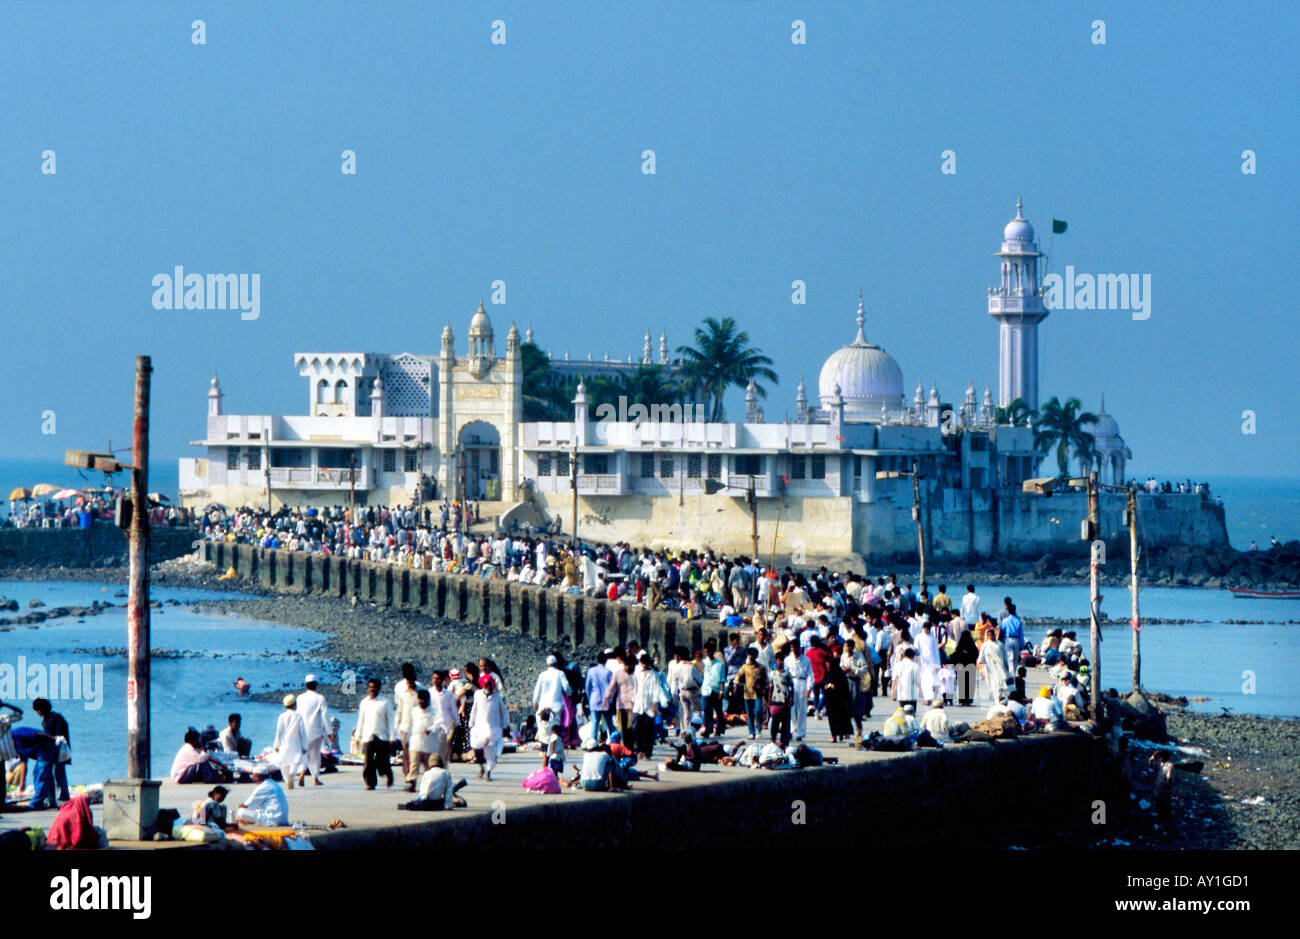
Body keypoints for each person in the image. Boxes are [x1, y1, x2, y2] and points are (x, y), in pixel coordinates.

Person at [355, 678, 396, 790]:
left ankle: (389, 775)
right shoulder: (364, 703)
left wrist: (392, 737)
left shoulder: (385, 702)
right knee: (368, 761)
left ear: (379, 689)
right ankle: (370, 783)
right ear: (367, 688)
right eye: (370, 687)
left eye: (374, 687)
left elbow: (391, 721)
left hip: (382, 736)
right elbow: (361, 721)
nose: (372, 689)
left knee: (383, 761)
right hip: (368, 736)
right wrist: (357, 737)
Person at [469, 674, 510, 780]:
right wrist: (471, 723)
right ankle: (481, 768)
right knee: (477, 749)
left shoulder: (497, 697)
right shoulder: (477, 695)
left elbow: (504, 712)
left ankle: (488, 773)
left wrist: (505, 725)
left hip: (493, 728)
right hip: (479, 727)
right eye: (486, 685)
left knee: (491, 753)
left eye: (489, 685)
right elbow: (474, 709)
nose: (487, 687)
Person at [9, 725, 59, 808]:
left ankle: (36, 803)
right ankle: (50, 801)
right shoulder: (17, 747)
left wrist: (52, 738)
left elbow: (37, 734)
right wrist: (21, 786)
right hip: (40, 752)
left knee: (41, 775)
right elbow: (23, 765)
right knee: (39, 774)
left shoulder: (17, 733)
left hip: (46, 746)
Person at [32, 699, 70, 804]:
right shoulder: (47, 719)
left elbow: (58, 737)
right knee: (50, 774)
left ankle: (62, 799)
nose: (37, 713)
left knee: (58, 774)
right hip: (50, 751)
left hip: (58, 751)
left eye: (37, 710)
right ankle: (52, 799)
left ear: (41, 709)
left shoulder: (56, 718)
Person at [404, 689, 443, 792]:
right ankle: (412, 784)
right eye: (419, 699)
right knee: (414, 765)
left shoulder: (434, 712)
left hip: (430, 745)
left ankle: (428, 787)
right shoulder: (414, 711)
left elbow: (438, 724)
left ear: (427, 700)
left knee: (428, 768)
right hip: (415, 744)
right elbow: (409, 725)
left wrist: (430, 730)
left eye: (423, 700)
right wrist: (406, 739)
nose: (421, 702)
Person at [297, 675, 330, 786]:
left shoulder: (300, 698)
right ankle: (315, 778)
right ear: (316, 685)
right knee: (315, 755)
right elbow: (325, 717)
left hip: (302, 730)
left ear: (306, 685)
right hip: (315, 731)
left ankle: (302, 774)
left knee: (304, 754)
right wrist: (330, 732)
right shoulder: (320, 698)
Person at [393, 663, 424, 780]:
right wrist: (396, 726)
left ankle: (412, 773)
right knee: (406, 750)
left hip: (417, 725)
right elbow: (399, 707)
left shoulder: (421, 690)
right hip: (405, 725)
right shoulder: (400, 688)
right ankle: (408, 773)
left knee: (414, 750)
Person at [273, 694, 308, 789]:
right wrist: (305, 746)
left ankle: (288, 780)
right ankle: (291, 777)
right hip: (295, 744)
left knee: (284, 764)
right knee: (295, 763)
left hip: (284, 744)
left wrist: (276, 745)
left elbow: (278, 732)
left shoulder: (281, 716)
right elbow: (302, 732)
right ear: (294, 704)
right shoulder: (298, 716)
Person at [532, 655, 572, 738]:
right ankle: (553, 746)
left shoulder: (542, 675)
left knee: (543, 727)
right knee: (555, 729)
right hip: (556, 706)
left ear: (547, 665)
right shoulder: (560, 673)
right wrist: (570, 694)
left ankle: (545, 746)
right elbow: (566, 686)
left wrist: (535, 701)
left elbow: (537, 689)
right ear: (556, 664)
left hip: (543, 705)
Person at [734, 647, 768, 740]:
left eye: (752, 655)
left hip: (758, 693)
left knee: (757, 711)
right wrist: (736, 686)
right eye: (749, 655)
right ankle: (751, 732)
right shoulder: (744, 667)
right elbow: (738, 676)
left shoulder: (761, 667)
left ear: (756, 656)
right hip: (747, 693)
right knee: (749, 714)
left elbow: (766, 680)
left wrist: (765, 690)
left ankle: (758, 730)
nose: (751, 657)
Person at [631, 652, 661, 758]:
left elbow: (657, 690)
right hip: (638, 704)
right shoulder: (637, 673)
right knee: (637, 729)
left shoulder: (654, 675)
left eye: (646, 663)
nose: (644, 665)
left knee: (649, 730)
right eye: (642, 663)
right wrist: (632, 701)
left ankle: (648, 753)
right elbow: (635, 688)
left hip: (649, 705)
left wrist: (655, 704)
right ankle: (639, 750)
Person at [668, 646, 702, 734]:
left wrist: (674, 694)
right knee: (697, 711)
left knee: (686, 714)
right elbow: (699, 680)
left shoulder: (676, 667)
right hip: (692, 691)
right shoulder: (691, 667)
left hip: (682, 691)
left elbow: (674, 681)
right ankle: (694, 729)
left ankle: (687, 731)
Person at [700, 640, 727, 739]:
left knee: (718, 710)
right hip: (706, 689)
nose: (708, 653)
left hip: (716, 690)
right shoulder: (703, 663)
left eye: (710, 651)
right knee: (706, 710)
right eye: (706, 651)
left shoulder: (719, 664)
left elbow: (722, 678)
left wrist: (721, 690)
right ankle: (708, 728)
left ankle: (719, 729)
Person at [767, 654, 794, 747]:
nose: (780, 662)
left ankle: (784, 741)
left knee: (785, 723)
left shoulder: (786, 674)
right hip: (775, 700)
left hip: (785, 700)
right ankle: (773, 739)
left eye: (782, 660)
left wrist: (791, 698)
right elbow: (770, 687)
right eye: (779, 660)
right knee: (775, 722)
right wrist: (769, 700)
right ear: (776, 661)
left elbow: (792, 686)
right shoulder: (772, 674)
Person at [1001, 602, 1025, 674]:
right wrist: (1022, 644)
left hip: (1008, 639)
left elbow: (1002, 630)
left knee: (1009, 658)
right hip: (1016, 639)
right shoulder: (1018, 621)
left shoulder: (1005, 620)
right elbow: (1021, 634)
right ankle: (1013, 672)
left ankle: (1011, 673)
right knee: (1015, 659)